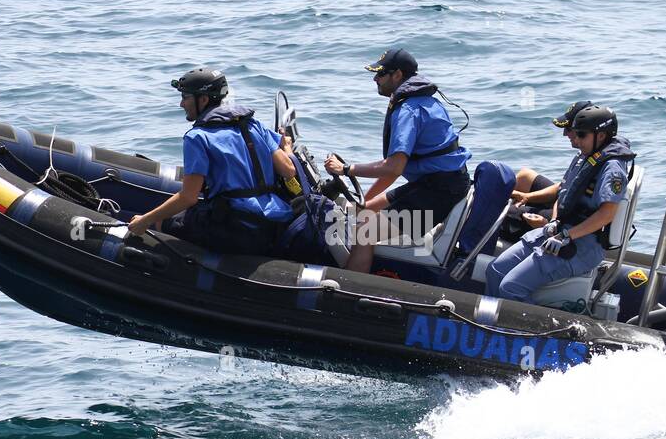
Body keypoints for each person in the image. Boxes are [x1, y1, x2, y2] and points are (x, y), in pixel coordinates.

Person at [323, 48, 470, 273]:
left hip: (438, 193)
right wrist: (365, 202)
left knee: (366, 232)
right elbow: (393, 172)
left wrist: (345, 169)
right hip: (435, 184)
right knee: (362, 212)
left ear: (398, 75)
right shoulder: (422, 100)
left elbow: (393, 166)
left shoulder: (409, 110)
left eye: (380, 74)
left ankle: (348, 289)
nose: (375, 79)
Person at [127, 67, 296, 255]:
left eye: (185, 97)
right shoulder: (251, 124)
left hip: (237, 229)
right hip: (273, 224)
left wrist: (146, 220)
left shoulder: (197, 138)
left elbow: (188, 197)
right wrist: (287, 147)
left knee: (162, 221)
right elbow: (289, 170)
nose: (181, 104)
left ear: (204, 99)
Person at [485, 102, 635, 303]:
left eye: (581, 135)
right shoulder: (585, 158)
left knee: (511, 287)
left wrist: (567, 235)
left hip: (581, 244)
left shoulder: (612, 169)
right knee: (494, 270)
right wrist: (554, 222)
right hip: (558, 233)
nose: (574, 138)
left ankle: (528, 332)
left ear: (600, 136)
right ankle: (494, 326)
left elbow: (607, 214)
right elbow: (564, 193)